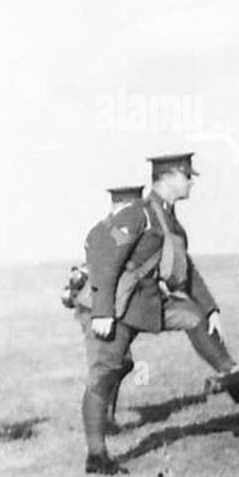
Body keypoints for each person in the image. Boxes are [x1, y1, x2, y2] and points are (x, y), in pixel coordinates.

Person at [81, 153, 236, 475]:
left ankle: (234, 376)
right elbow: (102, 252)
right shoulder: (138, 213)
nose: (192, 182)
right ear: (167, 178)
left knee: (193, 317)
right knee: (104, 374)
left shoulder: (168, 218)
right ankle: (96, 456)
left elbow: (185, 268)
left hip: (146, 303)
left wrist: (211, 309)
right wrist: (102, 311)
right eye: (187, 176)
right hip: (119, 308)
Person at [61, 185, 145, 432]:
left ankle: (107, 416)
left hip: (104, 303)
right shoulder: (117, 230)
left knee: (119, 362)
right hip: (100, 305)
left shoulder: (97, 229)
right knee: (108, 366)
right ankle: (103, 420)